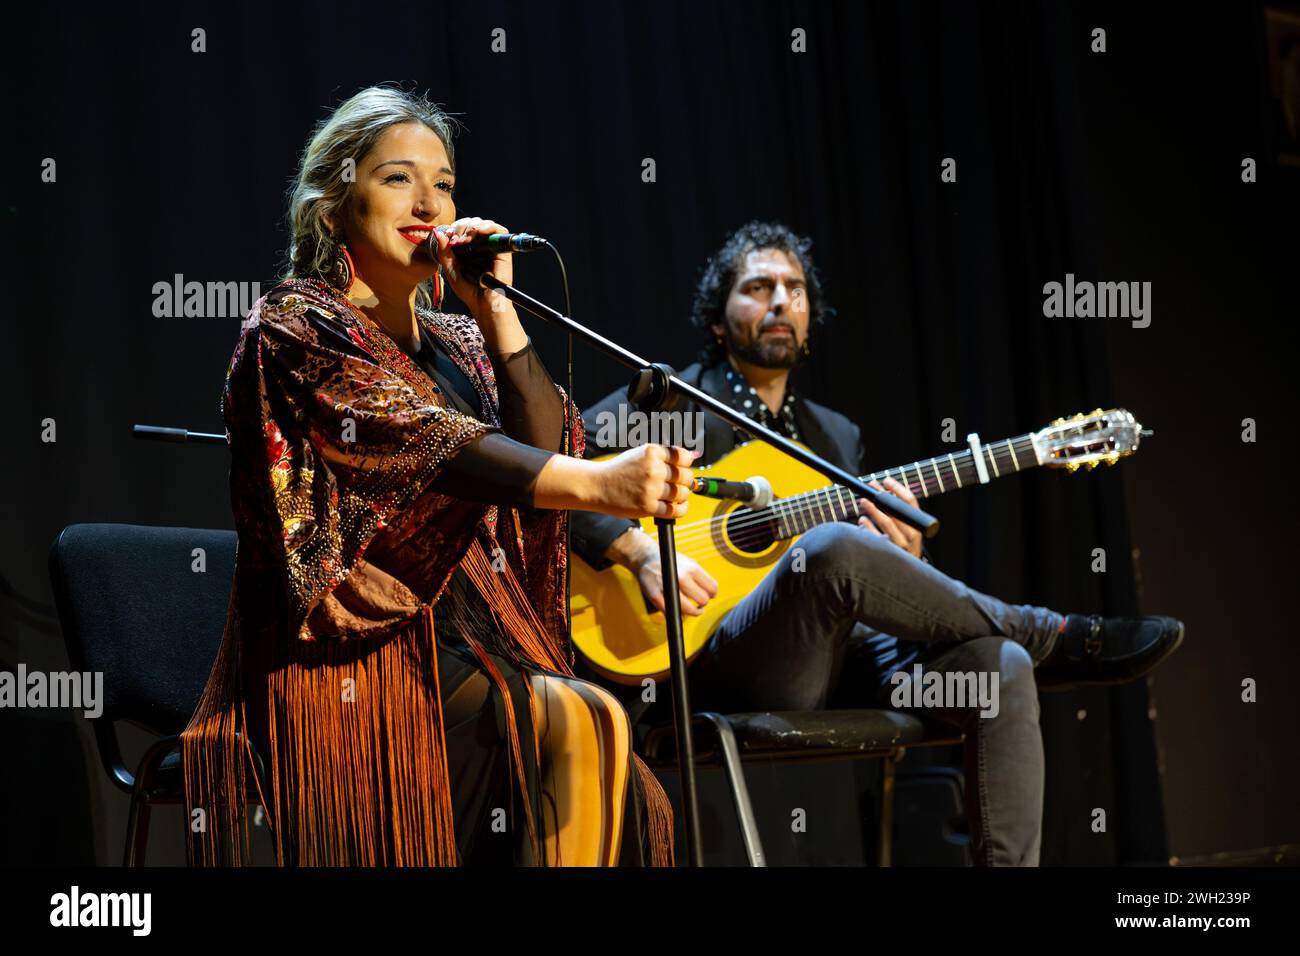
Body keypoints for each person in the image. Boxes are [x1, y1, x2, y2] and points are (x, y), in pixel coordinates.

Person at [181, 86, 695, 867]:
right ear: (332, 207)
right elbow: (432, 445)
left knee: (592, 721)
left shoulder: (458, 337)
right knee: (572, 718)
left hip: (470, 638)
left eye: (445, 181)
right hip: (348, 654)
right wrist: (600, 485)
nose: (429, 200)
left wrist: (497, 311)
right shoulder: (292, 324)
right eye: (397, 178)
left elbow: (540, 437)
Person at [569, 220, 1185, 866]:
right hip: (717, 665)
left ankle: (1025, 655)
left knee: (999, 666)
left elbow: (859, 576)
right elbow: (558, 468)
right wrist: (635, 551)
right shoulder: (675, 402)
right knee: (833, 546)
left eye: (795, 288)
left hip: (837, 661)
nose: (781, 301)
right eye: (758, 287)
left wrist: (901, 560)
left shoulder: (836, 436)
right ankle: (1053, 632)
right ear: (719, 319)